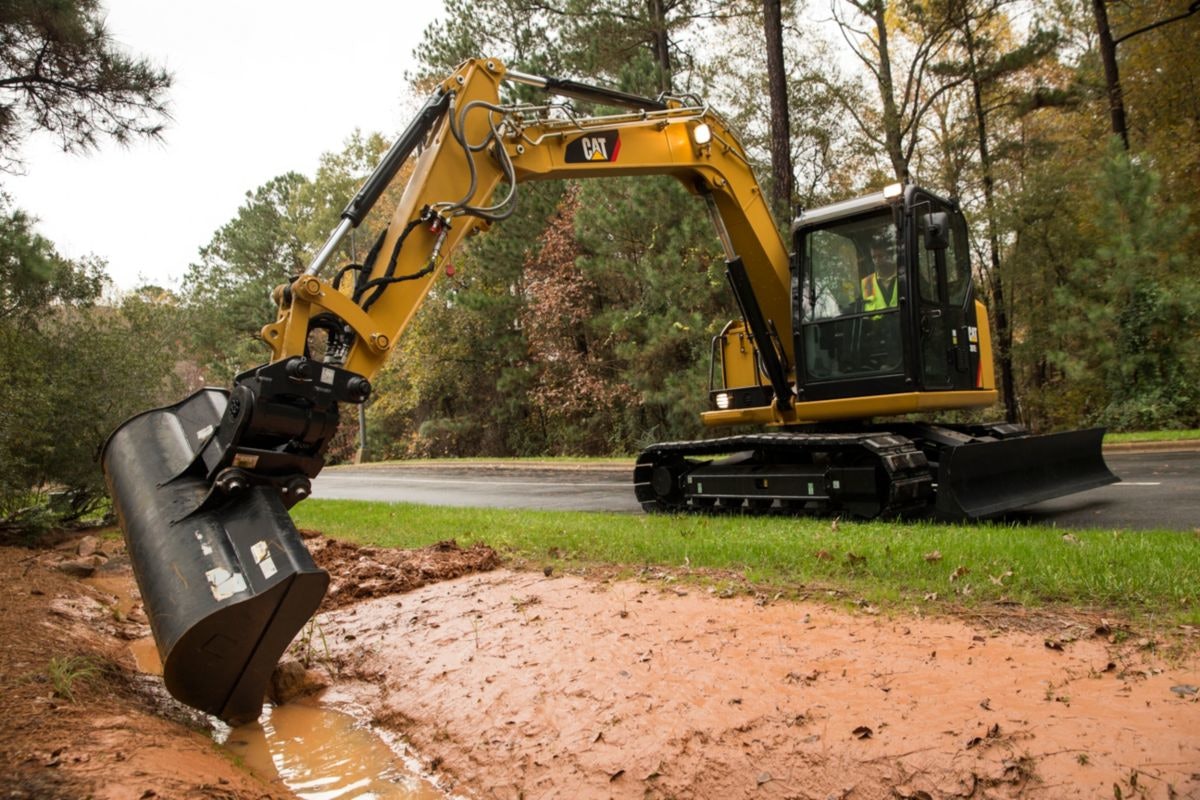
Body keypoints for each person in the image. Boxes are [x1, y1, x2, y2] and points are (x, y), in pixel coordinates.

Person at [860, 241, 899, 313]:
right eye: (874, 257)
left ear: (890, 256)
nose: (877, 261)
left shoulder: (905, 276)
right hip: (877, 324)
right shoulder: (867, 283)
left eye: (880, 256)